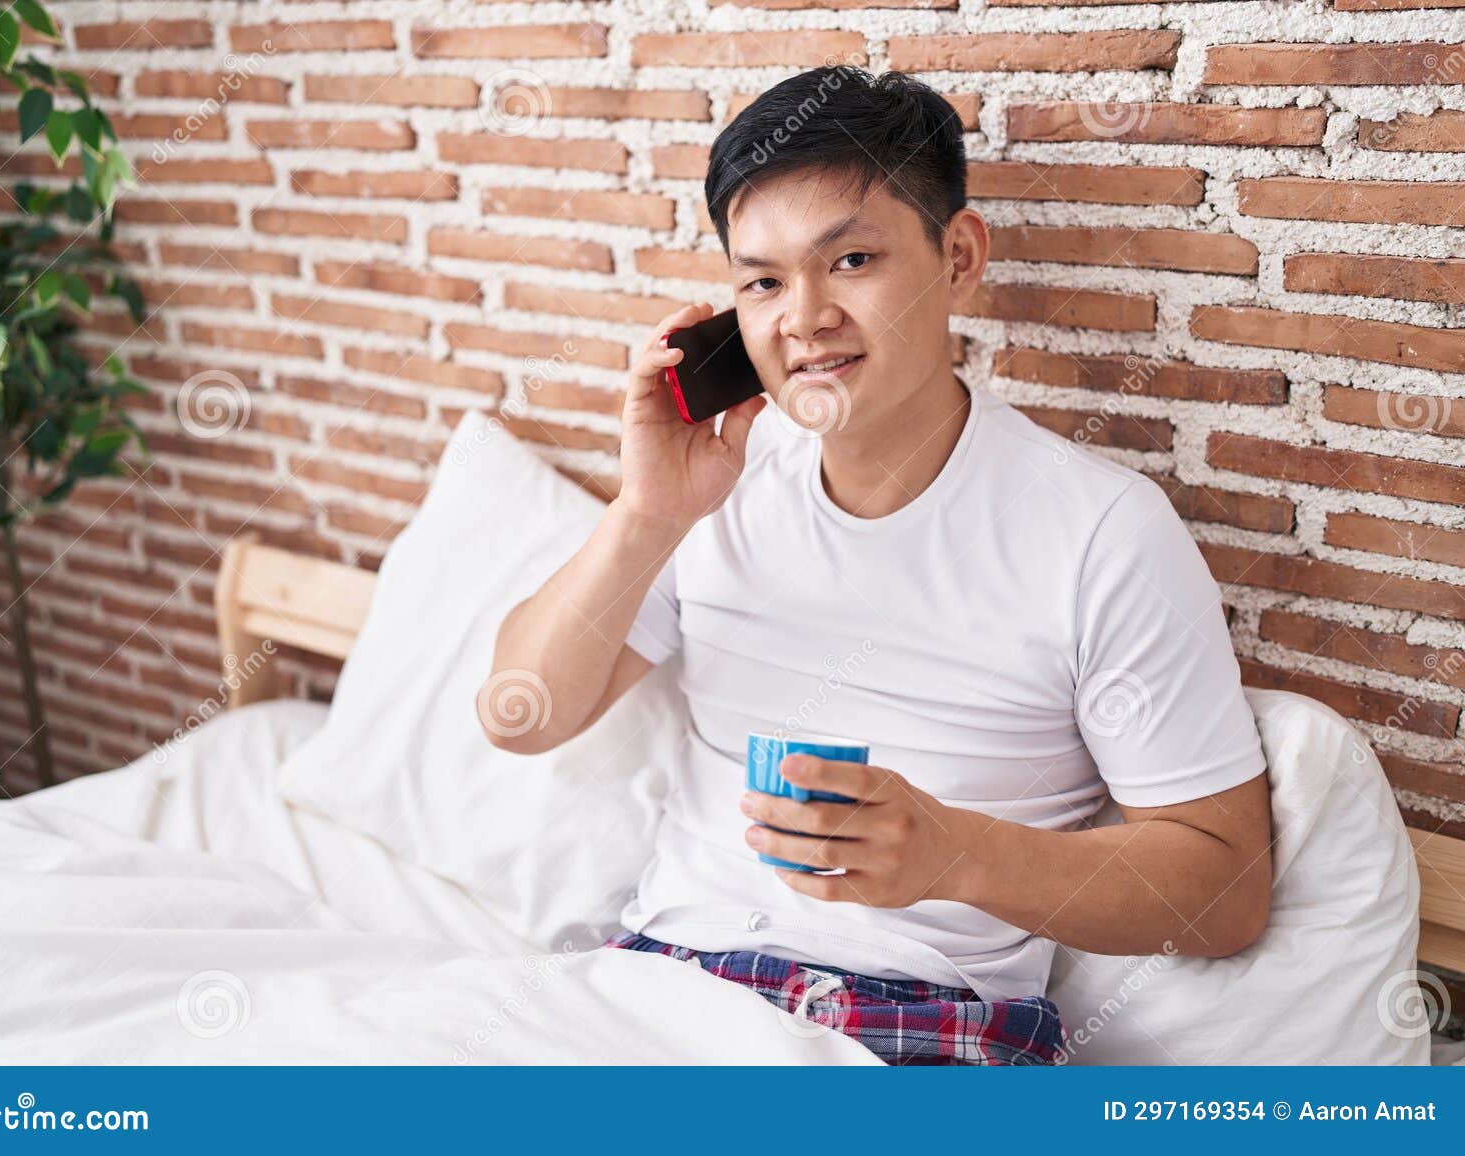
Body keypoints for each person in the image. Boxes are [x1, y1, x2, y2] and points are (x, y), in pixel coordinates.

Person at [482, 66, 1272, 1066]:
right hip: (663, 992)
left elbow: (1225, 889)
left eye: (849, 259)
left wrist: (956, 852)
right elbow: (520, 711)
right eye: (761, 282)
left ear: (957, 257)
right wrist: (646, 513)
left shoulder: (1099, 529)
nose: (802, 317)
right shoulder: (716, 487)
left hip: (914, 1027)